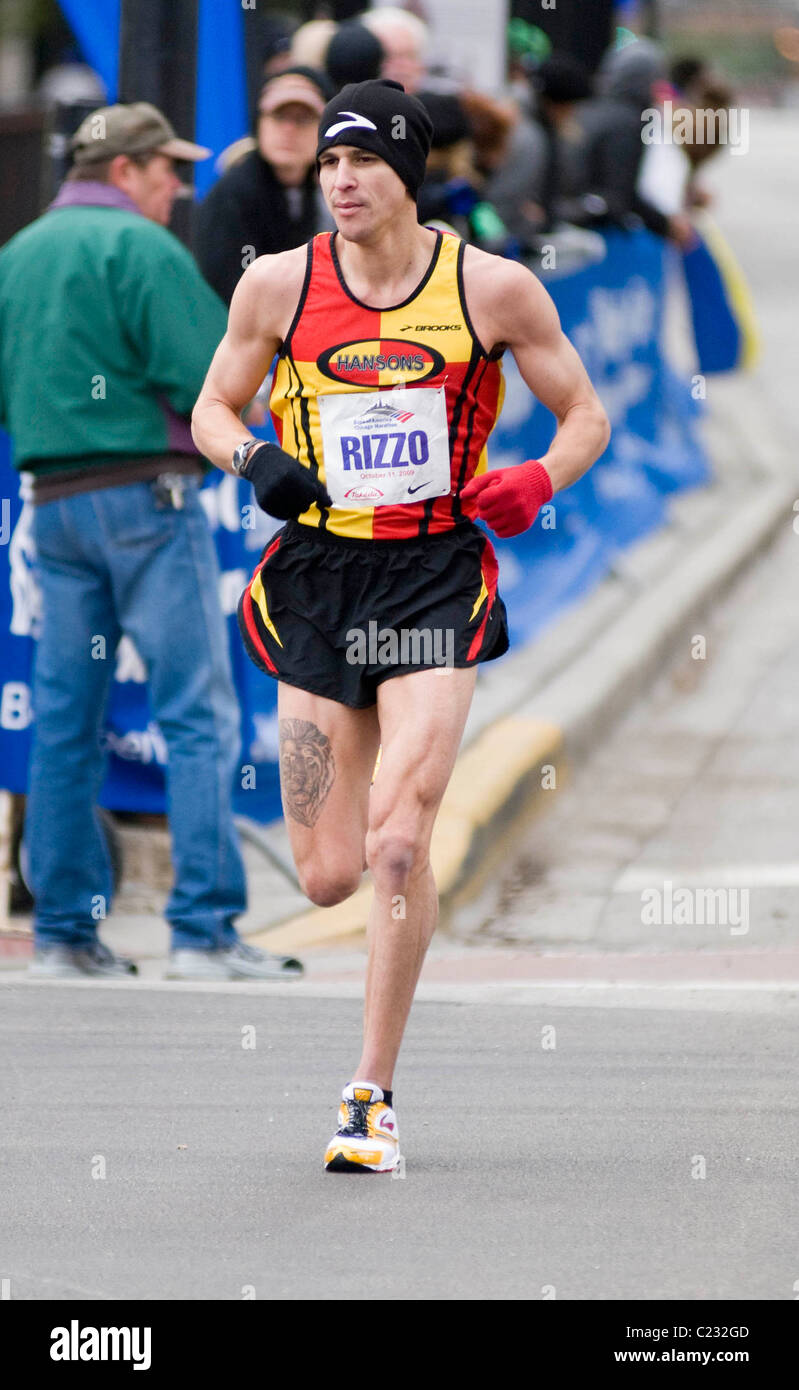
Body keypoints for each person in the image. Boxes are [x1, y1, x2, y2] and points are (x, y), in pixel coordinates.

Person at [192, 79, 610, 1169]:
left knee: (393, 839)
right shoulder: (279, 286)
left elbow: (585, 412)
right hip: (317, 579)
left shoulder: (492, 288)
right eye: (329, 165)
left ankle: (369, 1090)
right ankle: (375, 914)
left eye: (362, 164)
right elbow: (209, 407)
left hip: (434, 575)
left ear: (405, 176)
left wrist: (538, 480)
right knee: (326, 868)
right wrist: (256, 458)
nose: (339, 181)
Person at [0, 101, 302, 982]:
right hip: (147, 498)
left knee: (64, 723)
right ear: (124, 171)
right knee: (199, 715)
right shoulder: (141, 249)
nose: (179, 188)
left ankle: (63, 932)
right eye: (167, 170)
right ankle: (203, 932)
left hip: (50, 505)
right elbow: (212, 378)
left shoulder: (16, 257)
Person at [195, 67, 331, 307]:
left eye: (303, 119)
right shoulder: (235, 194)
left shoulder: (320, 191)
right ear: (260, 123)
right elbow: (229, 291)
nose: (289, 130)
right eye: (279, 117)